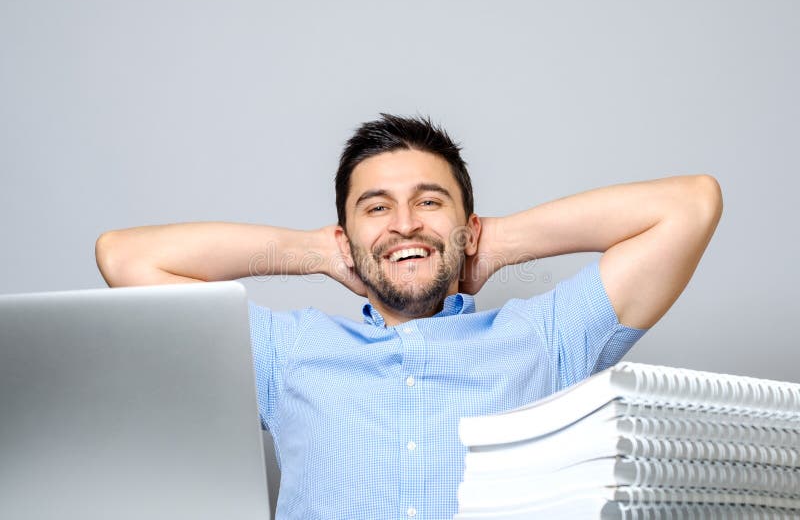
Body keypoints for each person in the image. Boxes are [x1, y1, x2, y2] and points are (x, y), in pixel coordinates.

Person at [95, 114, 723, 519]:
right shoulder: (288, 349)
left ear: (466, 225)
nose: (404, 224)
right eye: (376, 209)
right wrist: (317, 252)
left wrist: (495, 242)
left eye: (429, 202)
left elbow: (690, 207)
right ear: (345, 237)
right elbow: (126, 257)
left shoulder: (543, 335)